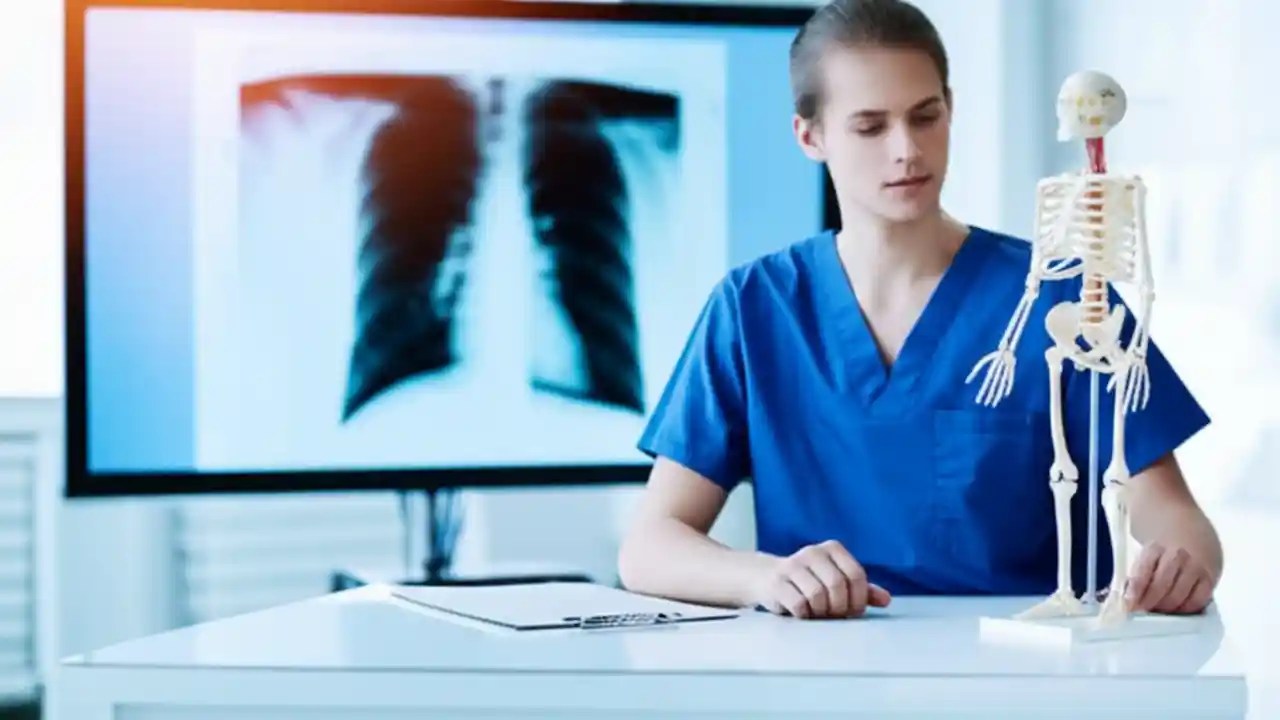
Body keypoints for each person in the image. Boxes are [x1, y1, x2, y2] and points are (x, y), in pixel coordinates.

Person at [616, 0, 1223, 620]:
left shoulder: (1062, 295)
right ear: (811, 135)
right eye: (870, 126)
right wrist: (765, 578)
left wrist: (1179, 564)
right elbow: (649, 548)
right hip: (822, 672)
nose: (906, 149)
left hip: (1030, 679)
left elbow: (1179, 521)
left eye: (924, 117)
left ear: (951, 110)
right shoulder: (753, 310)